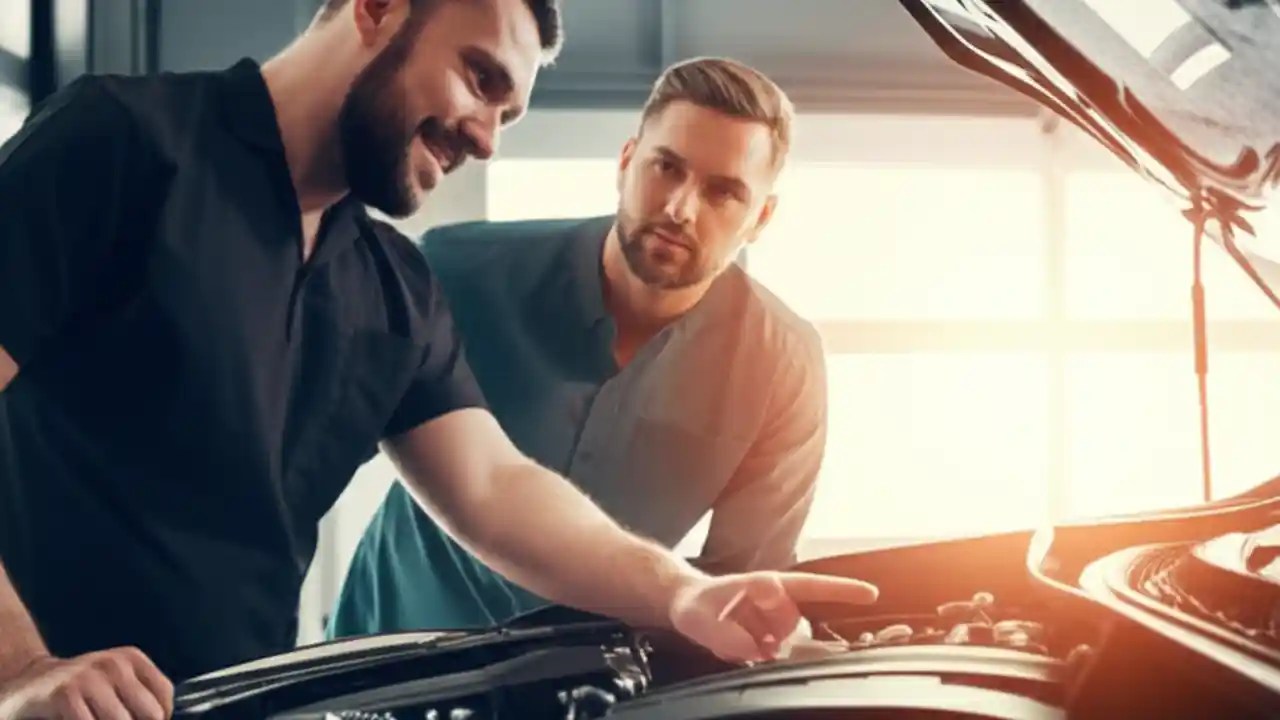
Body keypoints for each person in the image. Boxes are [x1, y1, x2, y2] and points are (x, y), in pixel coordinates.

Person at [0, 0, 876, 717]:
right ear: (377, 8)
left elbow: (498, 491)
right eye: (478, 78)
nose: (488, 137)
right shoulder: (120, 143)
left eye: (508, 111)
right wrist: (19, 668)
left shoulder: (391, 289)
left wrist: (679, 593)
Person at [328, 56, 829, 638]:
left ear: (760, 218)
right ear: (625, 162)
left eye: (723, 193)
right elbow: (312, 446)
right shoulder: (455, 271)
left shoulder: (785, 369)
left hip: (584, 686)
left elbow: (741, 590)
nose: (679, 209)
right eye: (666, 167)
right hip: (385, 648)